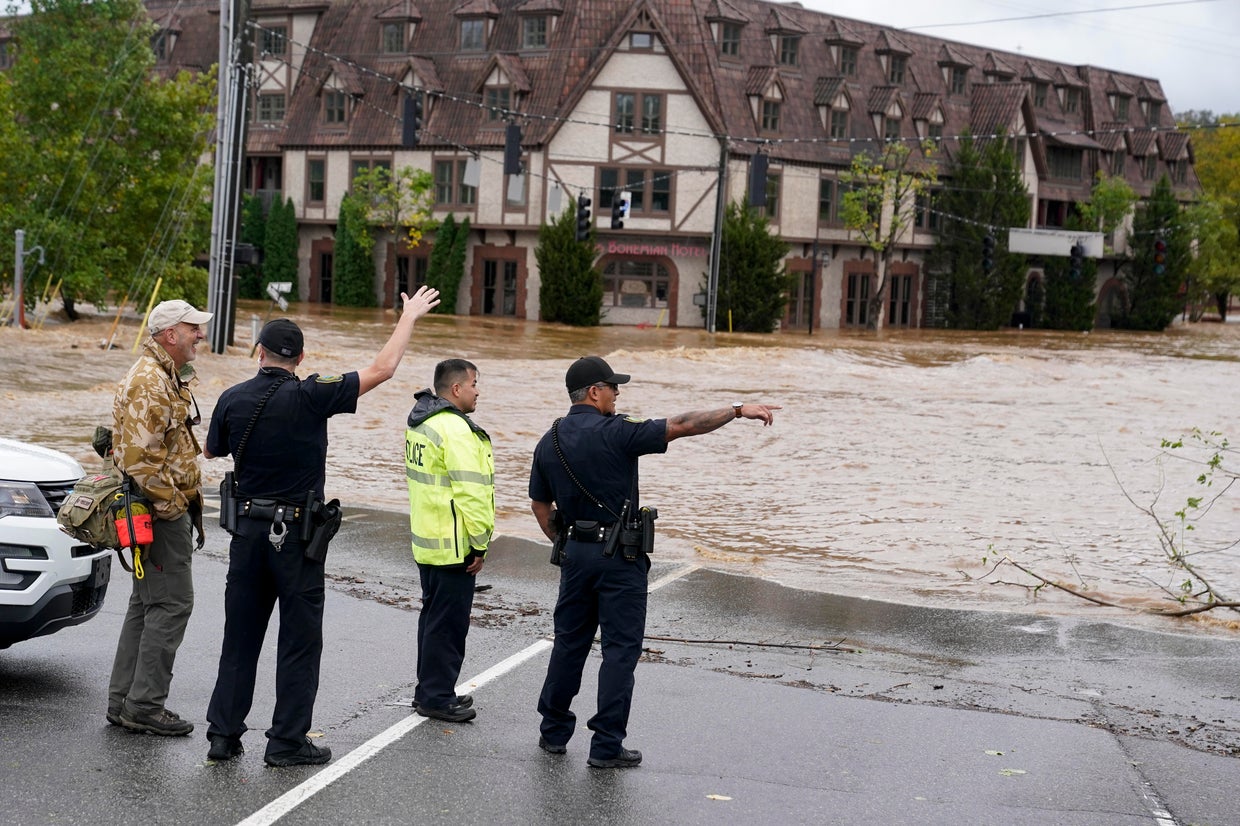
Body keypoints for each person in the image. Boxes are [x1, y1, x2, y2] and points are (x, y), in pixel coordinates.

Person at [203, 286, 440, 767]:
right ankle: (286, 741)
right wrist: (409, 315)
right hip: (296, 539)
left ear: (258, 352)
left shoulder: (232, 399)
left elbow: (209, 452)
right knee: (299, 641)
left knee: (240, 639)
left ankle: (223, 737)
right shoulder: (313, 394)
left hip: (247, 535)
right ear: (302, 357)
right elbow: (383, 369)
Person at [529, 356, 778, 768]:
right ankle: (606, 747)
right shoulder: (619, 432)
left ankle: (553, 733)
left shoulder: (549, 439)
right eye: (613, 387)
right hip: (619, 559)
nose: (618, 393)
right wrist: (737, 410)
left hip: (575, 556)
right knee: (619, 651)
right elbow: (683, 424)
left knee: (569, 645)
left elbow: (540, 506)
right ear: (594, 392)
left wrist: (569, 544)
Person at [108, 299, 213, 737]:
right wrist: (174, 509)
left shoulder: (161, 375)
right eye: (194, 329)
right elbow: (139, 461)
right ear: (170, 335)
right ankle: (144, 706)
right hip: (157, 511)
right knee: (171, 605)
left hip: (153, 510)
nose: (200, 336)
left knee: (148, 604)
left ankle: (125, 702)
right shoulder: (151, 382)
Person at [405, 359, 494, 723]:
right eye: (474, 383)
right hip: (455, 546)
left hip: (428, 542)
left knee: (432, 620)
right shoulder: (455, 430)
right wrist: (480, 544)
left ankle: (428, 689)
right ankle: (437, 698)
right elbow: (472, 493)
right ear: (456, 389)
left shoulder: (421, 423)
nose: (477, 390)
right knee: (448, 625)